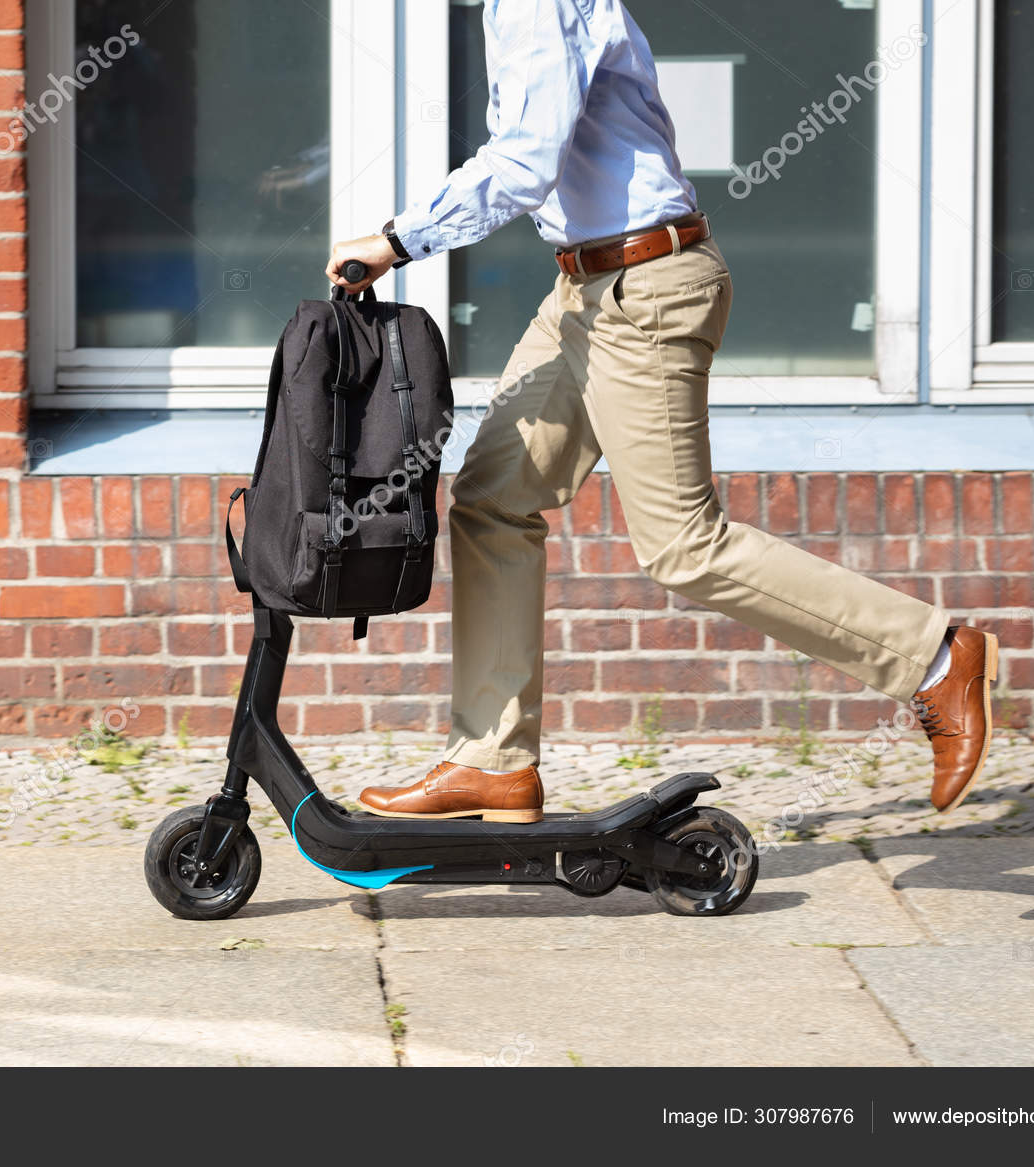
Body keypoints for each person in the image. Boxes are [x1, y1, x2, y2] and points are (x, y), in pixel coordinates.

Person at [325, 0, 996, 824]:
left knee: (684, 545)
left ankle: (934, 655)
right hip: (582, 288)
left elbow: (526, 161)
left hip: (645, 288)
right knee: (491, 498)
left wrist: (397, 239)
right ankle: (492, 759)